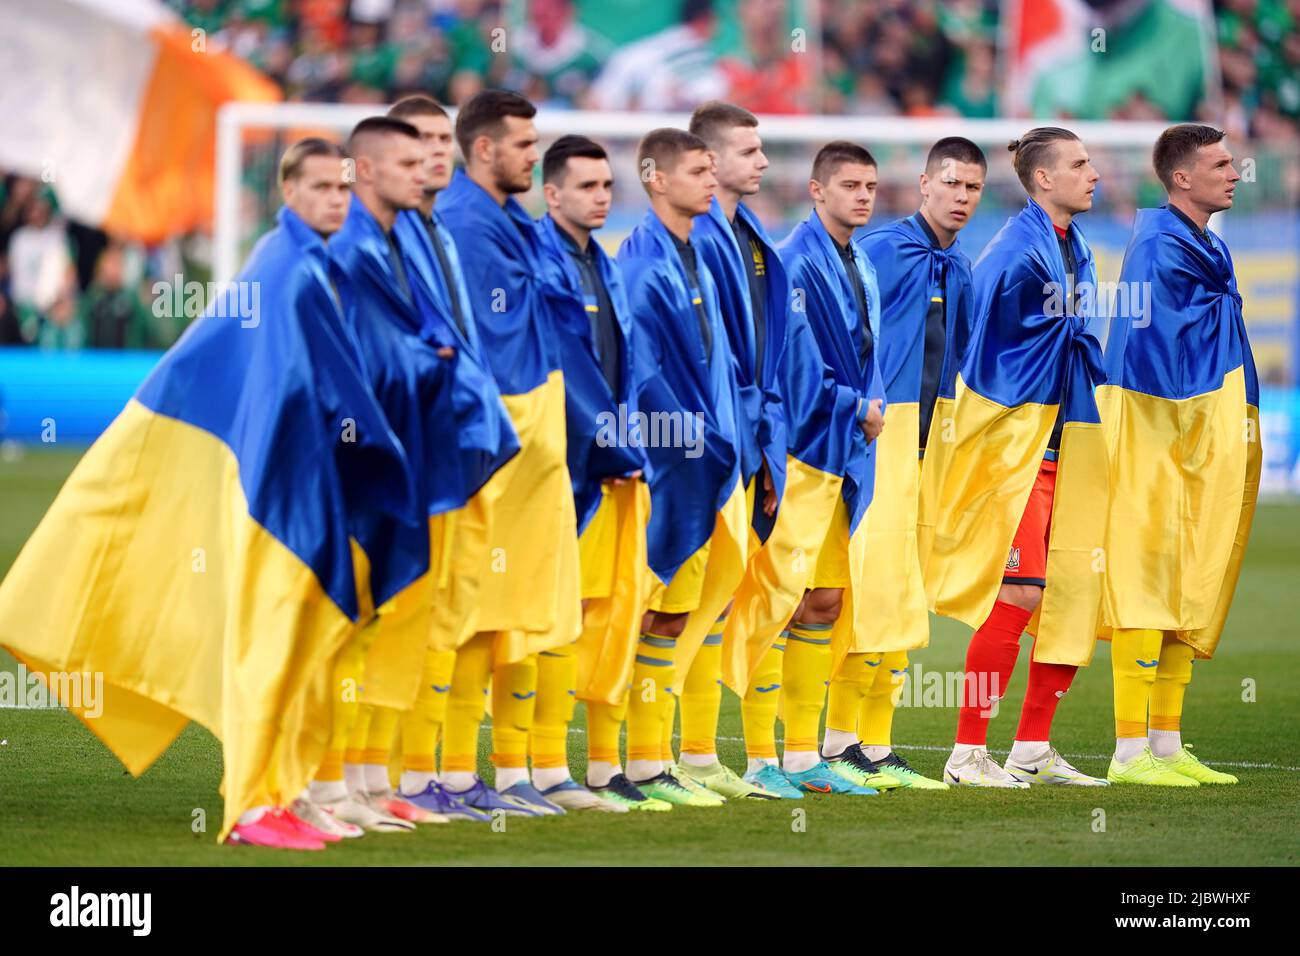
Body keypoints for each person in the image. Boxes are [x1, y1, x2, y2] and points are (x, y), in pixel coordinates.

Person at [0, 136, 428, 850]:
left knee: (299, 647)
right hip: (274, 495)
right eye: (320, 187)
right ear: (289, 192)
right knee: (269, 646)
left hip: (294, 489)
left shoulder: (310, 265)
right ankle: (252, 807)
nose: (334, 199)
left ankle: (283, 792)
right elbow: (282, 387)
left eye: (342, 188)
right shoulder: (286, 269)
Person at [925, 127, 1110, 788]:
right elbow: (980, 350)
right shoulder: (1013, 252)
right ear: (1043, 180)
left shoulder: (1072, 245)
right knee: (1020, 590)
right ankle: (966, 752)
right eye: (1081, 164)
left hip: (1069, 439)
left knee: (1069, 592)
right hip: (1018, 444)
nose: (1095, 174)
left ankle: (1032, 746)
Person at [438, 90, 583, 816]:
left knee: (515, 611)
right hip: (497, 445)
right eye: (525, 145)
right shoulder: (466, 223)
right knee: (473, 613)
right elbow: (486, 350)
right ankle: (443, 776)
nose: (535, 154)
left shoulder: (507, 220)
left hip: (534, 442)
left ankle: (507, 772)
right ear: (485, 148)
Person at [1099, 123, 1255, 787]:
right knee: (1145, 582)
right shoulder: (1161, 247)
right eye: (1220, 164)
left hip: (1188, 437)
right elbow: (1149, 351)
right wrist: (1187, 428)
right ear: (1182, 178)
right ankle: (1130, 751)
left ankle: (1166, 744)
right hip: (1155, 436)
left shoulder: (1197, 243)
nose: (1234, 172)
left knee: (1183, 578)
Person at [840, 137, 991, 791]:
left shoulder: (958, 270)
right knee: (868, 594)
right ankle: (839, 742)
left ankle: (877, 746)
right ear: (924, 184)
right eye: (952, 184)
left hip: (928, 452)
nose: (962, 197)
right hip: (876, 447)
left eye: (973, 188)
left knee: (905, 599)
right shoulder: (881, 252)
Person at [616, 128, 748, 806]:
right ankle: (636, 764)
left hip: (705, 460)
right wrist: (691, 442)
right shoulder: (643, 262)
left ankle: (667, 758)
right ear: (657, 178)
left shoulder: (692, 251)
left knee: (689, 608)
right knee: (655, 612)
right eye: (699, 169)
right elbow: (641, 374)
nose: (712, 177)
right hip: (672, 464)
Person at [534, 134, 662, 811]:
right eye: (586, 186)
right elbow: (567, 371)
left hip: (614, 464)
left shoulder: (602, 263)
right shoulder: (542, 260)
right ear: (551, 194)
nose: (601, 196)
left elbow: (627, 367)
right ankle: (543, 765)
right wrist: (619, 446)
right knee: (560, 614)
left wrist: (631, 440)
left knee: (616, 608)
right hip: (571, 470)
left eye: (607, 185)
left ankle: (602, 767)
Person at [774, 141, 887, 796]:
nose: (864, 195)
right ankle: (752, 753)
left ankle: (800, 757)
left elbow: (867, 350)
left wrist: (865, 406)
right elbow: (796, 367)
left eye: (870, 185)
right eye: (849, 185)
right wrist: (855, 405)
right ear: (817, 191)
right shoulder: (795, 262)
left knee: (823, 600)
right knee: (780, 601)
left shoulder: (858, 261)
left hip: (844, 449)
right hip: (803, 452)